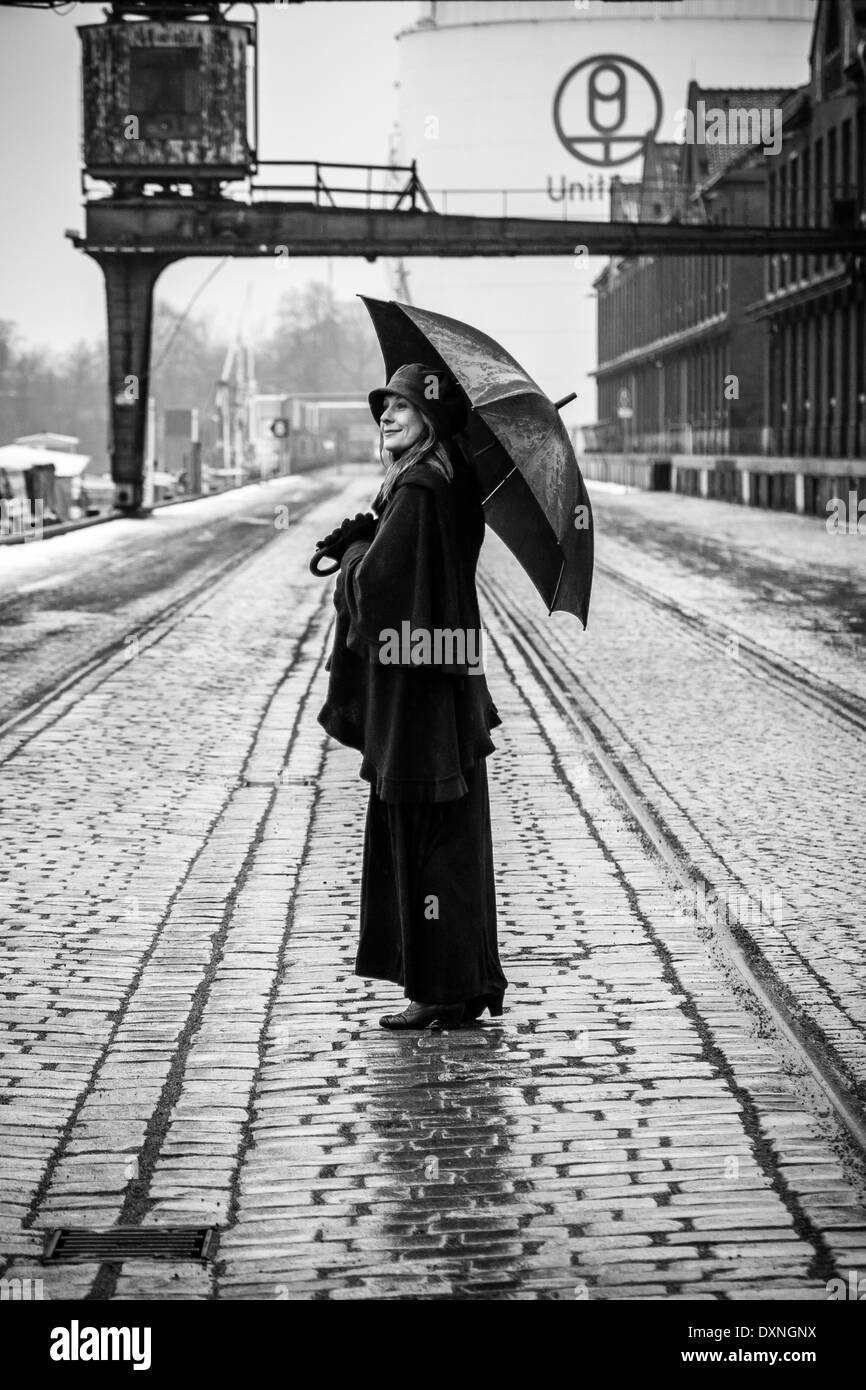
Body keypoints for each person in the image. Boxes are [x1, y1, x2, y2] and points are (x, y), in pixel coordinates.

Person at [316, 363, 508, 1030]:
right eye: (383, 407)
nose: (387, 417)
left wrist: (354, 554)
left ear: (432, 416)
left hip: (417, 696)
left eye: (402, 407)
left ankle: (438, 989)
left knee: (425, 835)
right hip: (442, 681)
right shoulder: (442, 478)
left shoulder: (421, 487)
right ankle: (460, 980)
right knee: (450, 833)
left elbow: (382, 592)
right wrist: (373, 533)